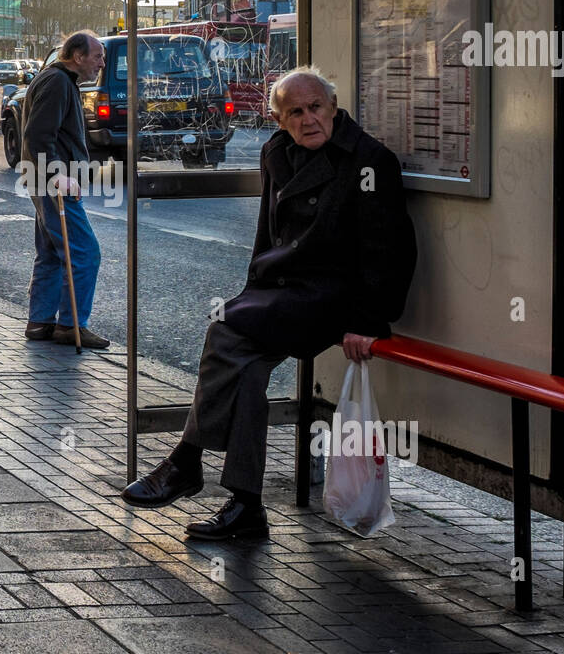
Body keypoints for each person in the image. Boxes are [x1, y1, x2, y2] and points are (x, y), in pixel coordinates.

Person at [122, 67, 417, 540]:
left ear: (333, 106)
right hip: (283, 294)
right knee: (247, 367)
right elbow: (268, 233)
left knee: (225, 332)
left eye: (316, 107)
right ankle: (246, 506)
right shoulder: (275, 152)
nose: (308, 119)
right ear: (279, 120)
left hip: (335, 298)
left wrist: (368, 321)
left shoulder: (368, 160)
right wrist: (252, 290)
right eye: (295, 112)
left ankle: (188, 458)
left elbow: (390, 249)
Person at [21, 30, 110, 350]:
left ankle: (40, 322)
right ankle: (71, 326)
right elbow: (38, 136)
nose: (102, 62)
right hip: (53, 183)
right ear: (78, 57)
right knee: (84, 252)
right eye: (97, 56)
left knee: (52, 253)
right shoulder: (57, 82)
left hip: (44, 179)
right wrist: (59, 174)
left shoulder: (58, 80)